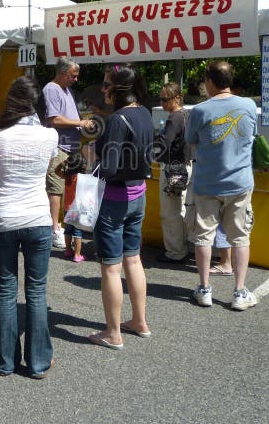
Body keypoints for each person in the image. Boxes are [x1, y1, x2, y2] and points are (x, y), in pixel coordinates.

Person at [0, 77, 58, 377]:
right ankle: (38, 362)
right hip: (38, 218)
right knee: (37, 292)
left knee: (6, 290)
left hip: (2, 218)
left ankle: (5, 362)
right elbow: (51, 171)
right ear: (37, 105)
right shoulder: (50, 136)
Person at [88, 64, 153, 350]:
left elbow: (111, 167)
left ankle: (113, 333)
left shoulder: (117, 120)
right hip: (139, 194)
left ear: (119, 89)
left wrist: (93, 158)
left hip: (114, 199)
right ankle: (139, 321)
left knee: (111, 268)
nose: (103, 90)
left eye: (106, 85)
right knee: (134, 260)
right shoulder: (145, 114)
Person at [185, 60, 258, 310]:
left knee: (203, 236)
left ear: (211, 82)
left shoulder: (200, 110)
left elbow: (191, 140)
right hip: (239, 182)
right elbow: (252, 135)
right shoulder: (249, 105)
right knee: (240, 236)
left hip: (207, 182)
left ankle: (204, 288)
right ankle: (239, 292)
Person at [42, 58, 94, 251]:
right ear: (63, 73)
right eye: (73, 75)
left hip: (72, 146)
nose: (76, 78)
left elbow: (69, 117)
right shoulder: (51, 89)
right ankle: (54, 228)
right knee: (56, 187)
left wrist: (83, 121)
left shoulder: (68, 91)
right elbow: (54, 119)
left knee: (71, 189)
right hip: (59, 146)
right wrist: (80, 123)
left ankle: (69, 227)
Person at [155, 82, 192, 265]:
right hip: (186, 166)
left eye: (165, 99)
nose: (161, 102)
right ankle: (184, 247)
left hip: (173, 168)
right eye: (160, 98)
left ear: (176, 98)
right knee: (182, 209)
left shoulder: (173, 118)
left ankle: (175, 251)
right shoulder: (187, 115)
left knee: (171, 211)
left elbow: (164, 143)